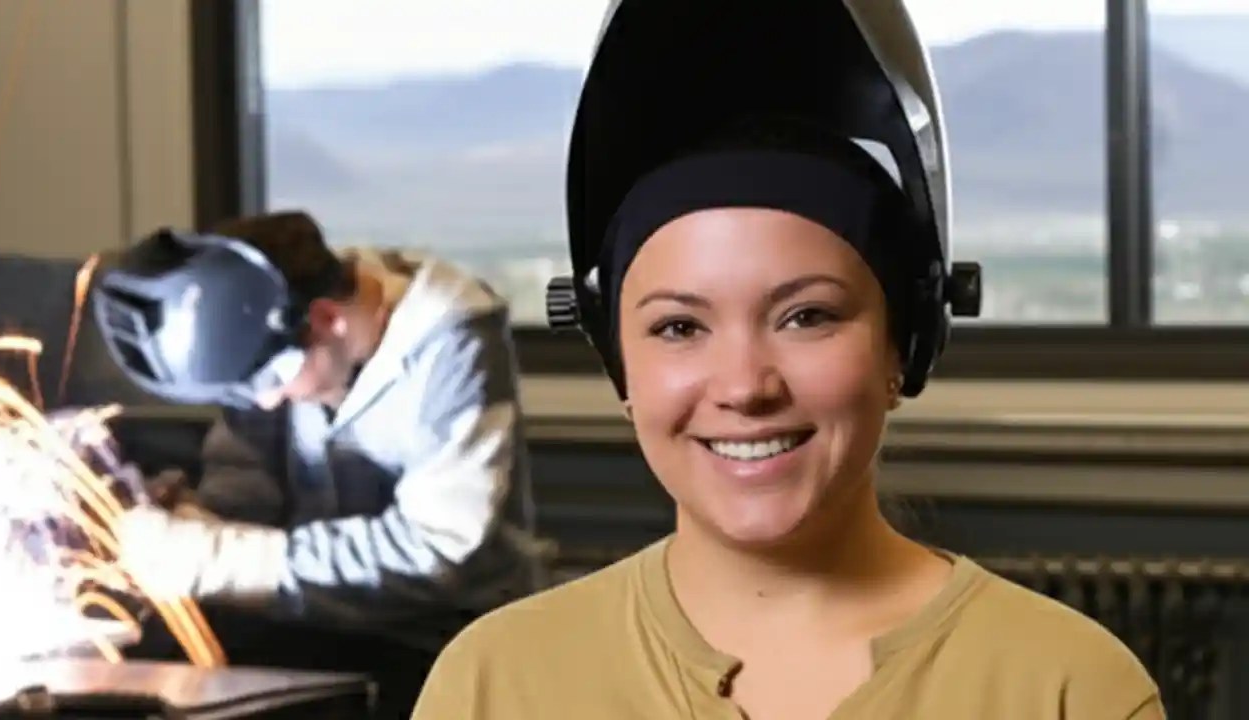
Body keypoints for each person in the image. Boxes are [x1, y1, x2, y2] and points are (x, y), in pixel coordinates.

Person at [411, 0, 1164, 718]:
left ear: (903, 344)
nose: (745, 386)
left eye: (807, 316)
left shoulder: (1069, 689)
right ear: (618, 363)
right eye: (679, 327)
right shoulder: (494, 683)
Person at [91, 210, 539, 717]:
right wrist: (192, 519)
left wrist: (227, 558)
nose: (262, 403)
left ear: (328, 320)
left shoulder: (452, 342)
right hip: (313, 619)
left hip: (446, 635)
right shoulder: (266, 328)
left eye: (265, 383)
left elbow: (437, 552)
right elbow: (243, 486)